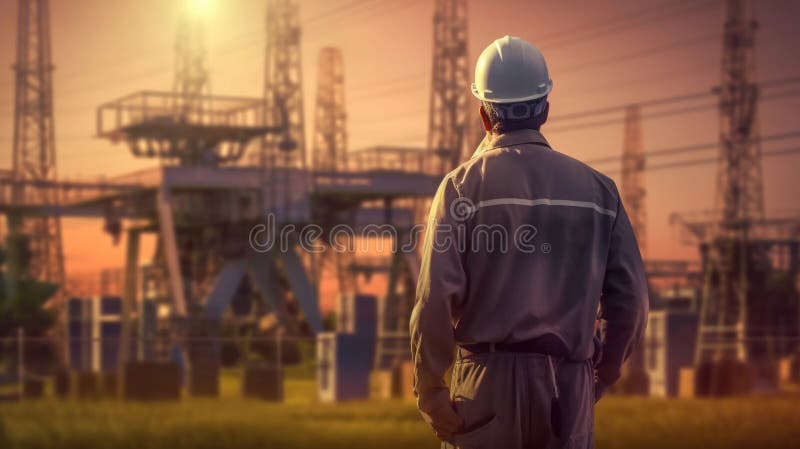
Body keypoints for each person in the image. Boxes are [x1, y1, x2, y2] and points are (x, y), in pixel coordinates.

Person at [410, 35, 648, 449]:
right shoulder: (600, 191)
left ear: (484, 115)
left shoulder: (461, 188)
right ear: (545, 109)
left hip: (486, 385)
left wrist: (430, 390)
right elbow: (631, 300)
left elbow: (435, 298)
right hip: (569, 387)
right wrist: (605, 371)